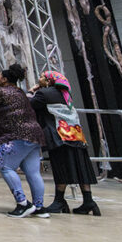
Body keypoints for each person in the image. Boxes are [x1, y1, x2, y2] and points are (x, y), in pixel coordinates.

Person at [0, 63, 48, 218]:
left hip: (15, 134)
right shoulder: (20, 92)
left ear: (4, 79)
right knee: (33, 173)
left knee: (4, 165)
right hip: (35, 134)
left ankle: (23, 203)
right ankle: (39, 207)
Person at [29, 70, 100, 216]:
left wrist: (31, 91)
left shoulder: (44, 94)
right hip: (76, 136)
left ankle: (59, 201)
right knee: (81, 167)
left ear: (49, 81)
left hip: (59, 136)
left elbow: (29, 104)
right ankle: (88, 201)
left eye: (43, 77)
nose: (39, 78)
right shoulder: (66, 95)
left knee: (61, 167)